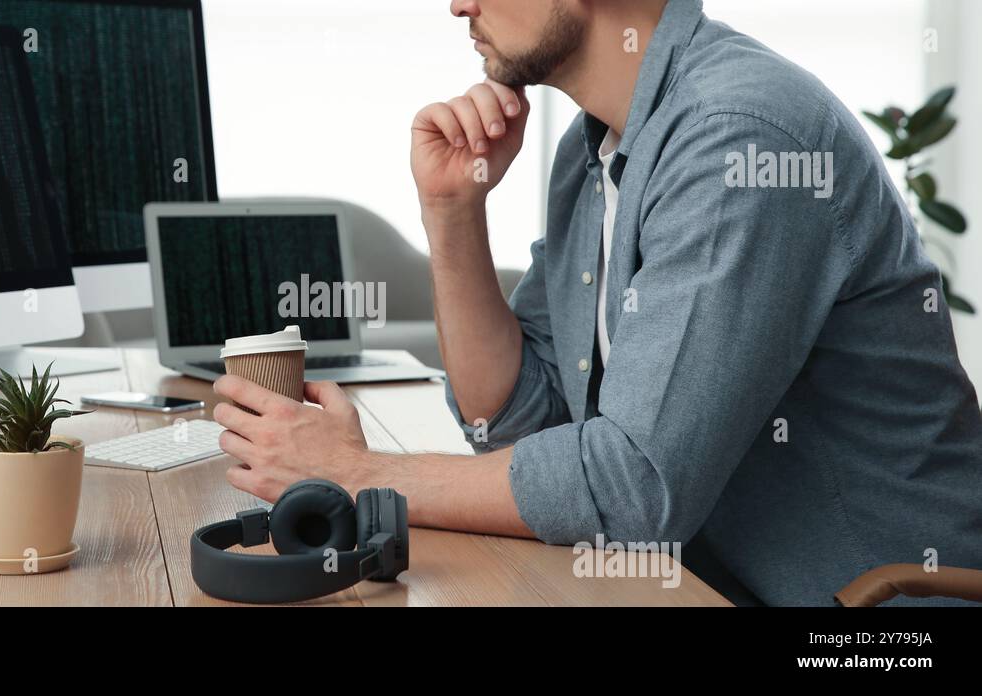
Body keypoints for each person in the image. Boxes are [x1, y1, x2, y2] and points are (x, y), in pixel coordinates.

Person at [211, 0, 982, 605]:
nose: (457, 5)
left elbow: (634, 486)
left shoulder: (737, 139)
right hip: (692, 582)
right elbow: (514, 423)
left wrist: (358, 473)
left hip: (870, 613)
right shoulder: (594, 151)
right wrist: (452, 212)